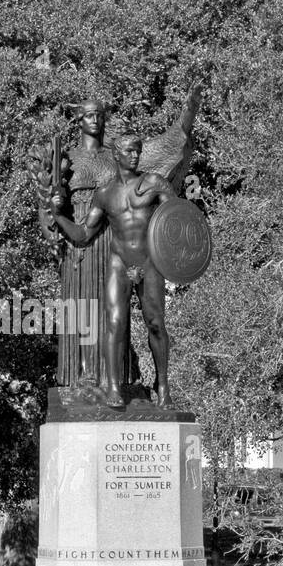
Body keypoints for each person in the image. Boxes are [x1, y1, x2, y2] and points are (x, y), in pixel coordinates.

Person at [49, 134, 179, 408]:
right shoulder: (105, 193)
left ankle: (163, 384)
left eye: (138, 151)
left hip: (149, 262)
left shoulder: (154, 183)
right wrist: (58, 216)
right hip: (119, 262)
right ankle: (114, 386)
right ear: (116, 155)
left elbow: (176, 220)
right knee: (115, 323)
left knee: (155, 324)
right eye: (130, 151)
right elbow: (84, 233)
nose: (135, 156)